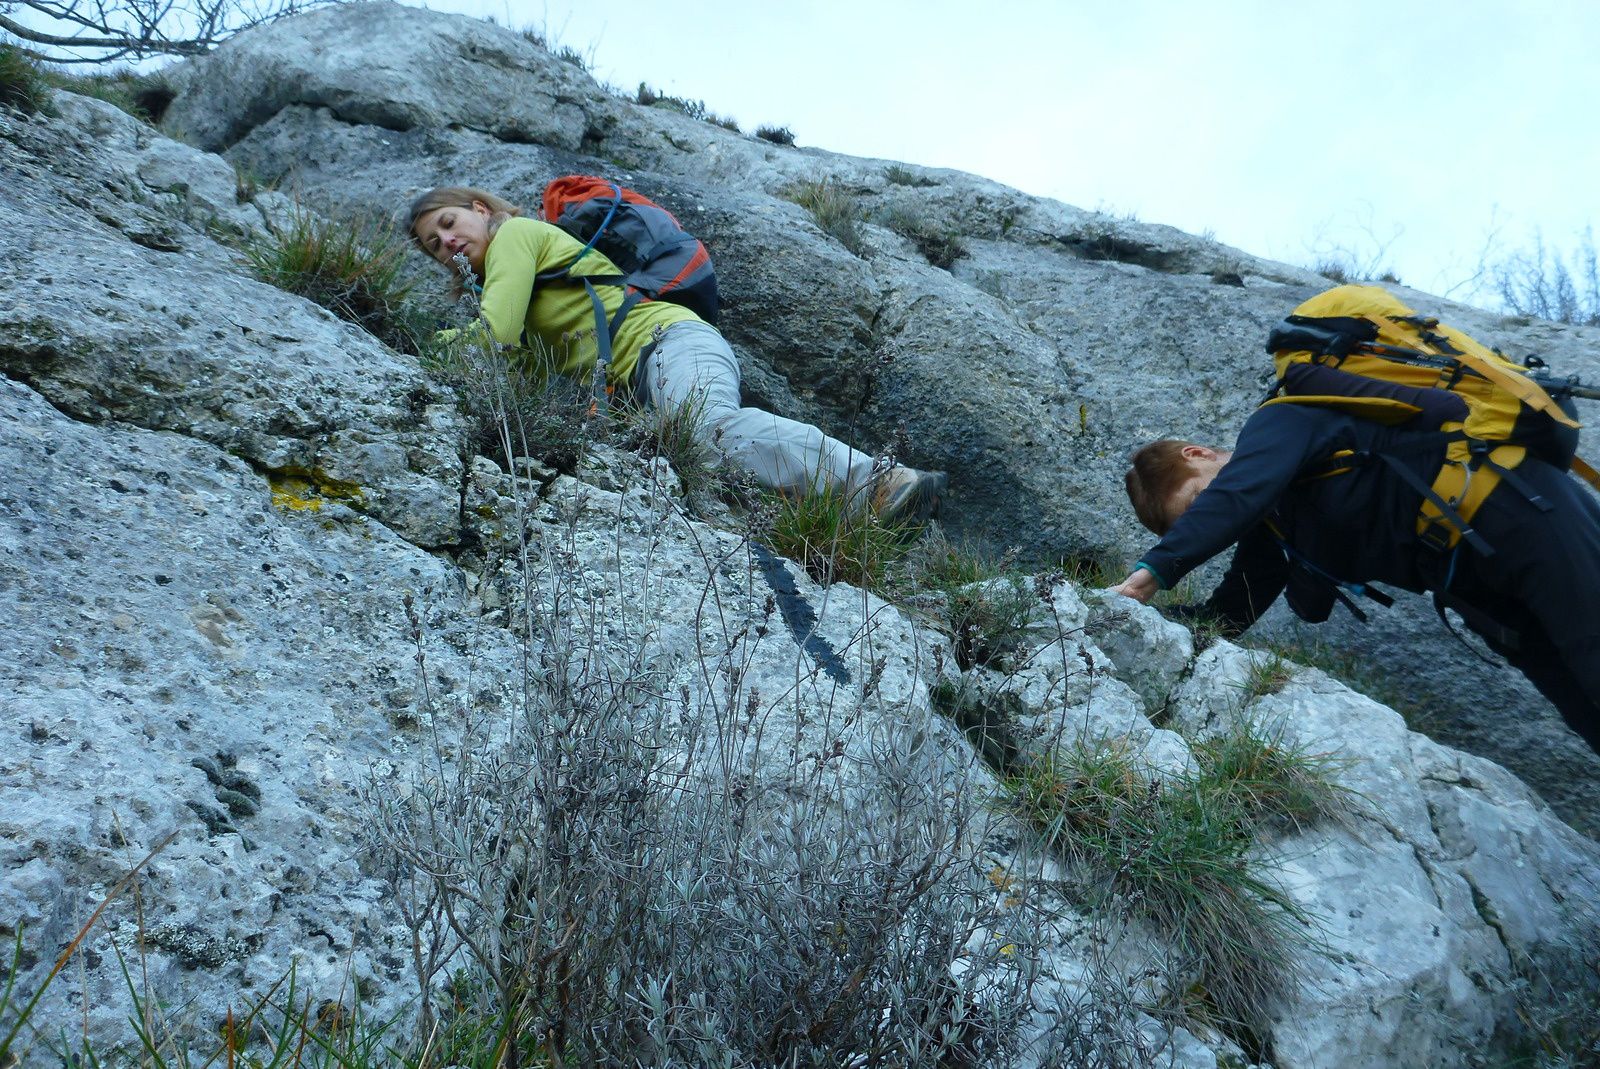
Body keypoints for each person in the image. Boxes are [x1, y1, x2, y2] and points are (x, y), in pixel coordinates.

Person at [407, 186, 946, 522]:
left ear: (479, 209)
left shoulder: (518, 236)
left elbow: (493, 334)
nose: (447, 242)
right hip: (638, 388)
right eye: (434, 244)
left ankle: (881, 481)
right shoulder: (507, 297)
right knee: (707, 474)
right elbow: (514, 365)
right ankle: (861, 520)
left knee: (707, 431)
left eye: (449, 223)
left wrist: (437, 344)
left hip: (666, 341)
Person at [1107, 402, 1600, 753]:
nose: (1208, 522)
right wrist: (1126, 619)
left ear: (1197, 454)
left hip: (1521, 513)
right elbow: (1231, 613)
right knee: (1581, 706)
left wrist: (1153, 570)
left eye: (1197, 505)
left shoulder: (1280, 421)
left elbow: (1236, 495)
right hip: (1474, 583)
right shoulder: (1274, 526)